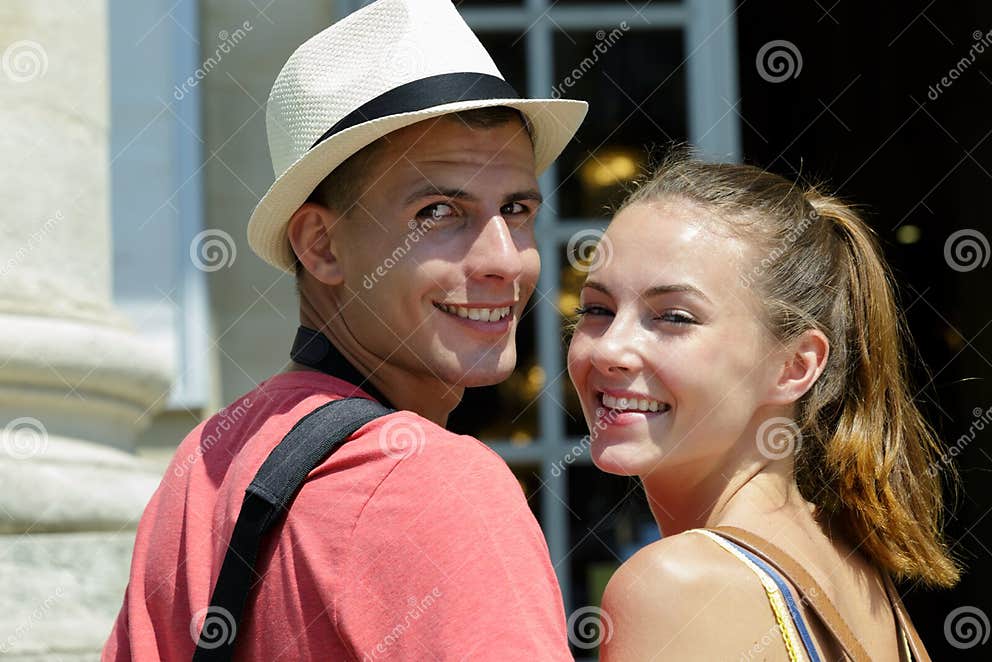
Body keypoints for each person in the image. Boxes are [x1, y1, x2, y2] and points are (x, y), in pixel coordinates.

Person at [102, 0, 587, 659]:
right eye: (439, 211)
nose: (505, 260)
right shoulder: (436, 487)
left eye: (518, 209)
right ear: (321, 246)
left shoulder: (202, 463)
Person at [566, 149, 959, 661]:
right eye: (597, 309)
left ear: (795, 366)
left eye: (674, 317)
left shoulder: (676, 586)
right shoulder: (852, 566)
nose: (610, 348)